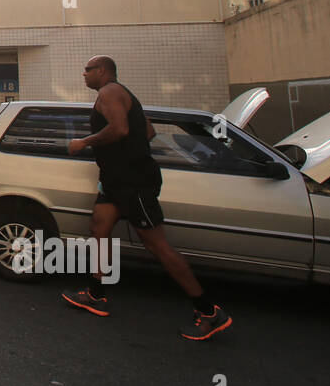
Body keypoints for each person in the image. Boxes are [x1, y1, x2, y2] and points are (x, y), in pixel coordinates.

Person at [62, 56, 232, 340]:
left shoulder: (110, 92)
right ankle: (95, 294)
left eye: (87, 69)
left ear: (102, 71)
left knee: (157, 246)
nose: (84, 74)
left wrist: (84, 142)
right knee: (99, 228)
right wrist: (127, 153)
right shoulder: (120, 94)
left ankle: (209, 312)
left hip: (133, 184)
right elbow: (147, 130)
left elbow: (120, 129)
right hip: (115, 182)